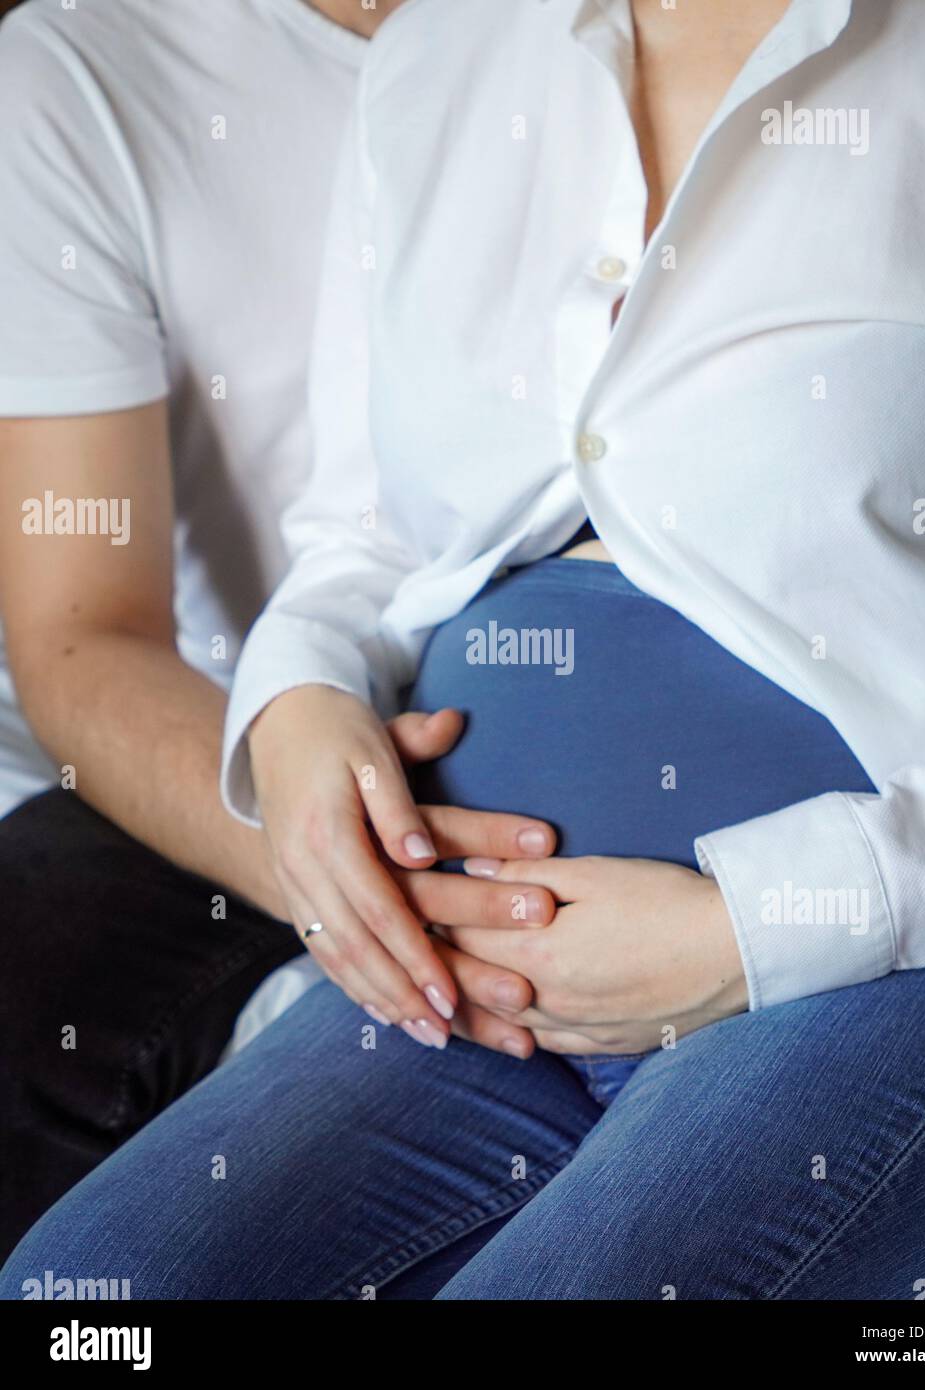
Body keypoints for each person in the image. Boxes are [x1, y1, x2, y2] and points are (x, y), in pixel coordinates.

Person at [4, 0, 925, 1300]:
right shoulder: (448, 56)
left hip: (881, 955)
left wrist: (749, 924)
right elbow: (365, 534)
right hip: (465, 978)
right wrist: (299, 697)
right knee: (83, 1297)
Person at [0, 0, 558, 1261]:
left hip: (549, 718)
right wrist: (349, 870)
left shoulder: (612, 35)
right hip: (235, 754)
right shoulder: (77, 73)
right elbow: (84, 633)